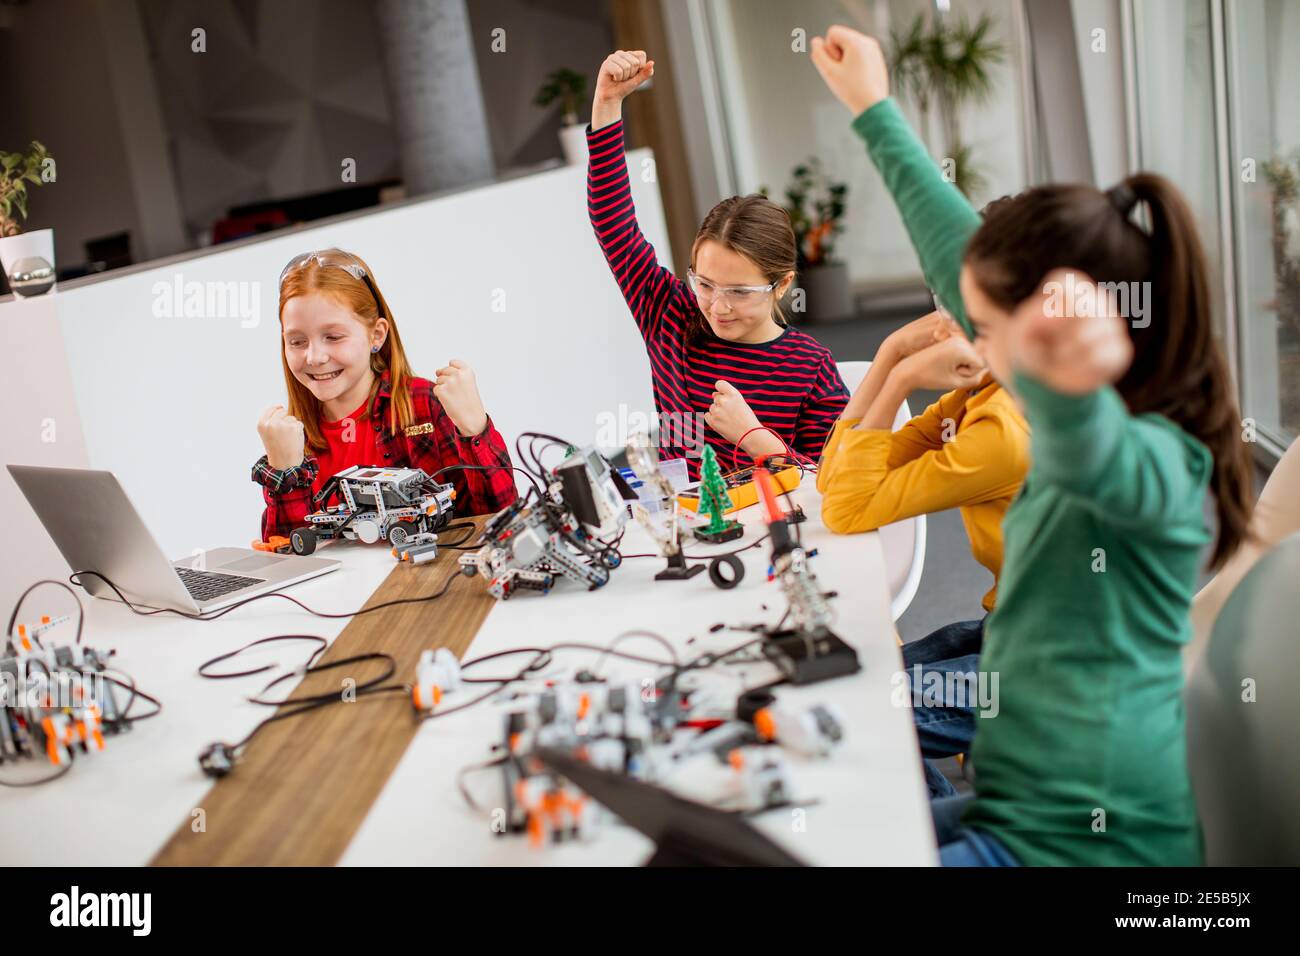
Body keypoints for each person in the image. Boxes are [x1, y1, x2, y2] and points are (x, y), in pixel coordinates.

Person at [812, 25, 1254, 865]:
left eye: (986, 327)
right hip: (1012, 810)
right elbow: (961, 266)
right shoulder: (1070, 416)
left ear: (1045, 335)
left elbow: (1087, 440)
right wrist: (873, 109)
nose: (967, 336)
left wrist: (1064, 380)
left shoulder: (1149, 467)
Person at [587, 50, 848, 477]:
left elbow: (832, 484)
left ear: (782, 285)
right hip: (688, 531)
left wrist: (750, 435)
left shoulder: (809, 367)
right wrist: (607, 105)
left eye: (740, 292)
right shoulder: (671, 315)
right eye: (705, 284)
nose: (718, 306)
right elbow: (613, 226)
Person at [252, 249, 518, 542]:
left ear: (376, 335)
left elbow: (502, 525)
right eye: (297, 341)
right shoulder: (290, 440)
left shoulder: (425, 405)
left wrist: (476, 430)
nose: (314, 357)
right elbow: (288, 563)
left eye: (334, 337)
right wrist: (285, 472)